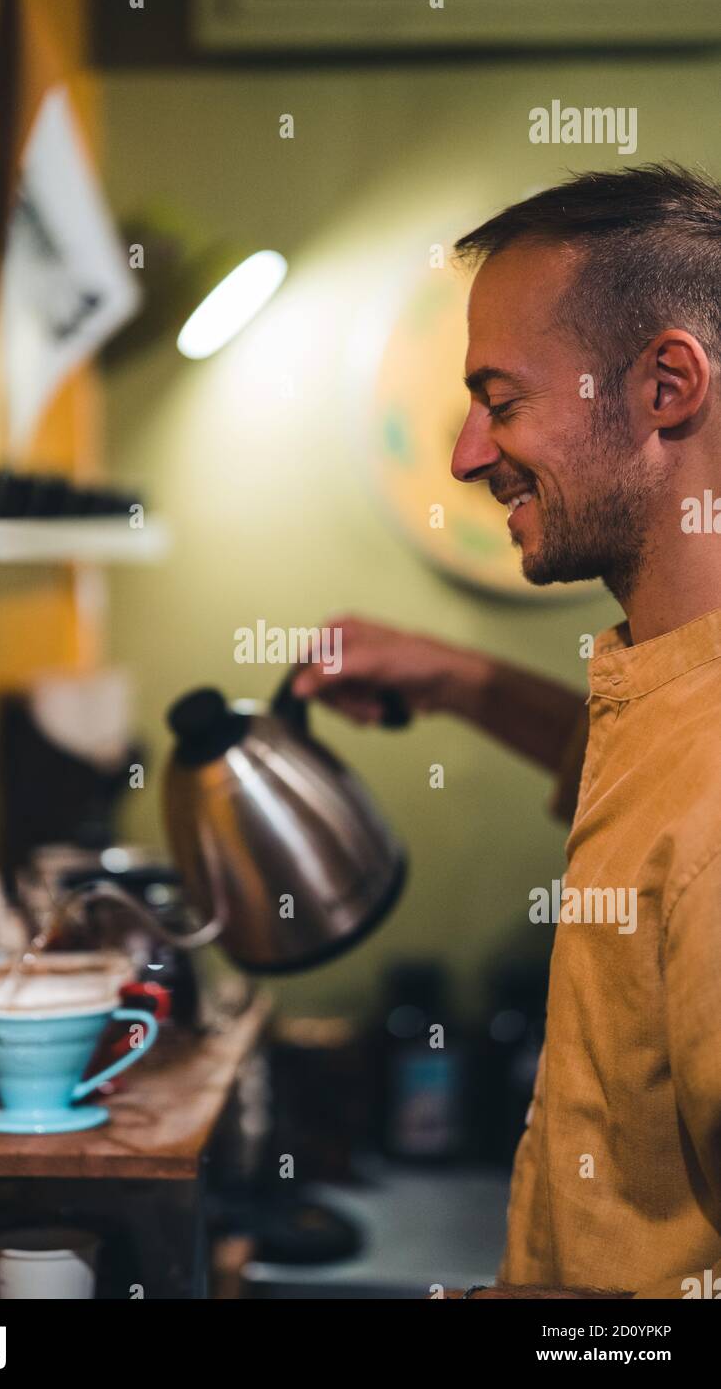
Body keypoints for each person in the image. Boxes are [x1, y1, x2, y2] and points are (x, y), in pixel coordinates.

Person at [292, 164, 721, 1300]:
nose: (466, 453)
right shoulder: (675, 685)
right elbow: (641, 788)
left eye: (501, 398)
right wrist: (455, 678)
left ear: (665, 386)